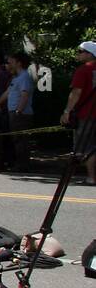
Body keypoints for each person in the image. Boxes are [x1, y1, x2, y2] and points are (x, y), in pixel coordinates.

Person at [61, 40, 96, 185]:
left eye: (81, 52)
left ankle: (91, 177)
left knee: (85, 147)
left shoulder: (84, 70)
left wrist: (67, 111)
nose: (78, 54)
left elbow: (76, 92)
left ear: (90, 54)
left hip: (86, 114)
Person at [0, 51, 35, 170]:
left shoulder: (24, 77)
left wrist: (19, 110)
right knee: (16, 139)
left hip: (20, 114)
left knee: (21, 140)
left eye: (11, 61)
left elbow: (25, 95)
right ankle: (18, 163)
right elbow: (8, 92)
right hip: (13, 113)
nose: (9, 64)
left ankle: (23, 165)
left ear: (19, 63)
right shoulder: (16, 78)